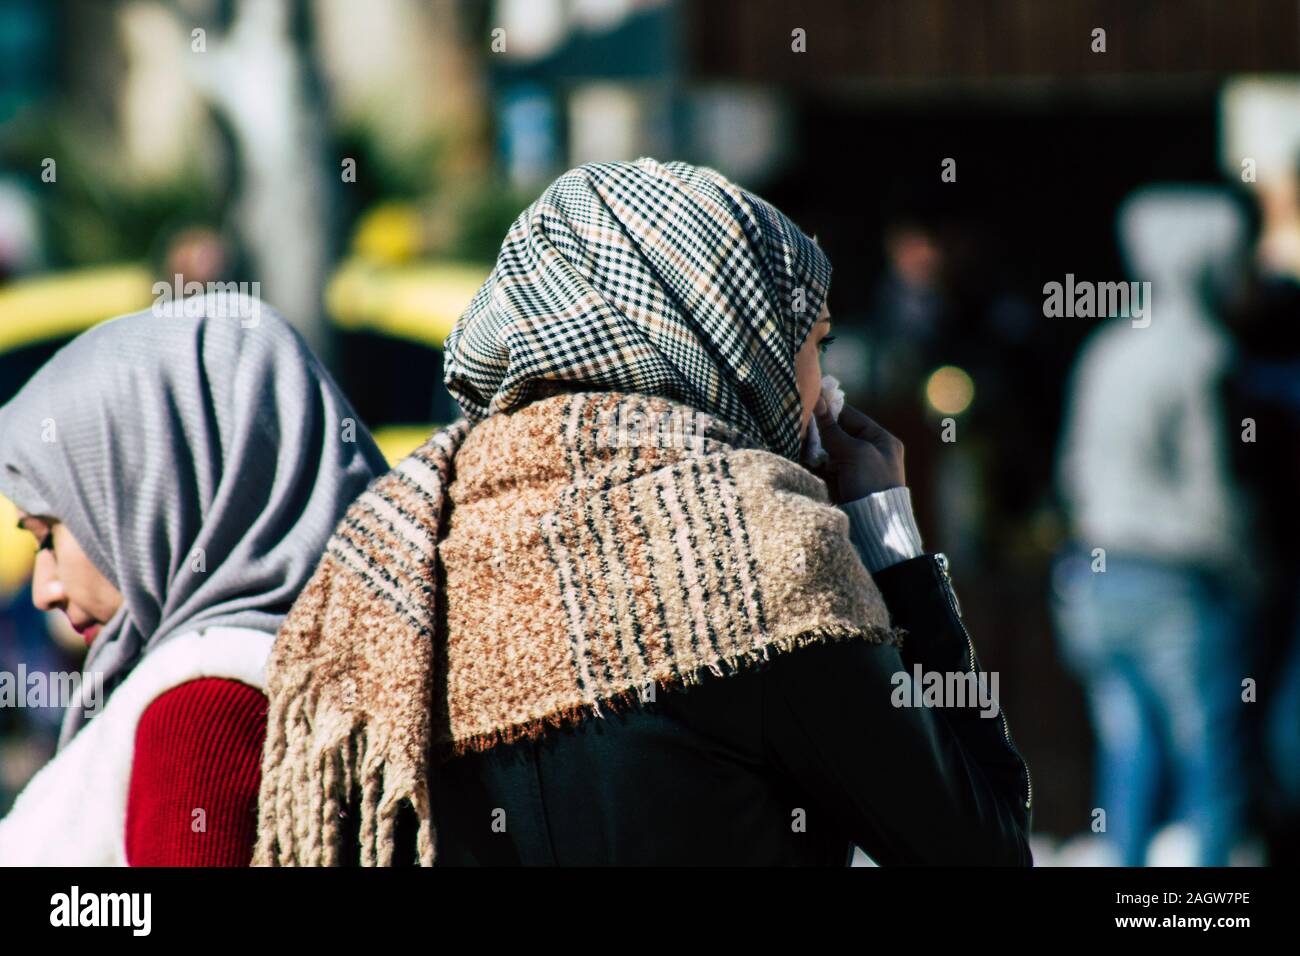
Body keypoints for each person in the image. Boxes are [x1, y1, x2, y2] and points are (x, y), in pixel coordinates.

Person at [254, 158, 1033, 866]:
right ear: (732, 341)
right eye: (813, 344)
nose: (826, 391)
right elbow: (979, 851)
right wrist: (890, 541)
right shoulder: (757, 543)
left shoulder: (395, 546)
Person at [0, 293, 386, 865]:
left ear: (148, 498)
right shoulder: (352, 659)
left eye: (49, 537)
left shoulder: (202, 711)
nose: (44, 589)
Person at [1053, 186, 1254, 866]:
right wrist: (1251, 561)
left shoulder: (1107, 348)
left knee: (1130, 755)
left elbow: (1074, 469)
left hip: (1097, 577)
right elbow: (1211, 489)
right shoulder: (1203, 354)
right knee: (1209, 761)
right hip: (1179, 583)